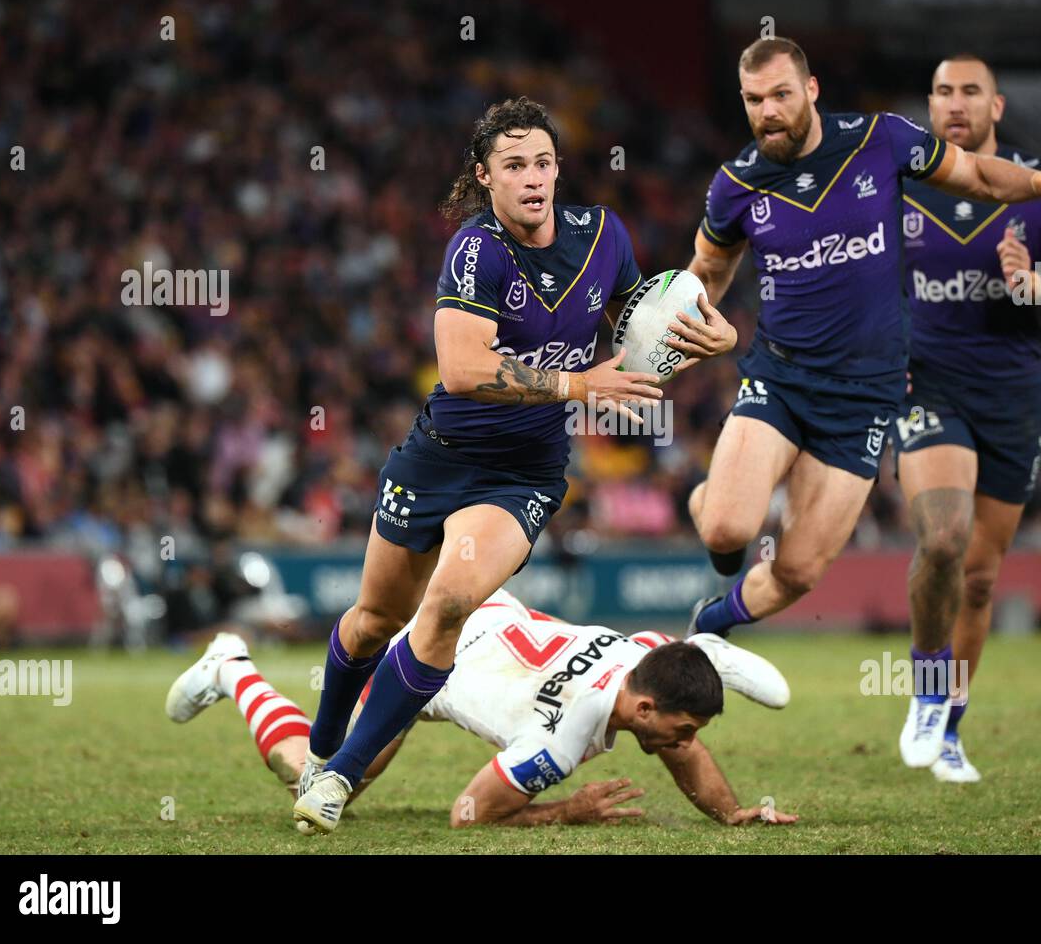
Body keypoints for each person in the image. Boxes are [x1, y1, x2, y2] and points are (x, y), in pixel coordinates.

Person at [295, 97, 737, 827]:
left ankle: (337, 779)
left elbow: (641, 338)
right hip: (439, 457)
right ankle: (320, 747)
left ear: (558, 168)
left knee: (449, 602)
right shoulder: (476, 251)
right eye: (513, 166)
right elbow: (463, 368)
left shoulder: (605, 238)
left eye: (542, 163)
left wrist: (703, 340)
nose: (532, 178)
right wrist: (577, 383)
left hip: (523, 473)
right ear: (485, 177)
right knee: (374, 620)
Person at [677, 37, 1041, 652]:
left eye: (780, 94)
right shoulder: (735, 184)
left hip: (865, 398)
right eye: (753, 100)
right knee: (726, 525)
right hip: (780, 377)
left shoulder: (880, 139)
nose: (767, 111)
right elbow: (708, 269)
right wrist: (689, 325)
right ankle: (712, 517)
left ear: (811, 90)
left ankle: (710, 624)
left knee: (798, 572)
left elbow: (980, 176)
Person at [166, 589, 796, 829]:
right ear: (646, 707)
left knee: (327, 783)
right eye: (682, 729)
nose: (686, 742)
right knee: (311, 780)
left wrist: (731, 812)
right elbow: (468, 814)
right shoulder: (561, 739)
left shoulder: (649, 657)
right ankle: (231, 667)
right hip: (429, 661)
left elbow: (685, 747)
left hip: (492, 613)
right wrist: (567, 811)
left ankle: (714, 649)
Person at [892, 54, 1041, 781]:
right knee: (944, 540)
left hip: (1011, 396)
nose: (955, 104)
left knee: (979, 580)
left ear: (997, 106)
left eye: (970, 92)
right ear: (929, 102)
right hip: (926, 387)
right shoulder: (898, 185)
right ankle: (923, 689)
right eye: (943, 91)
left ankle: (950, 728)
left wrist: (1035, 281)